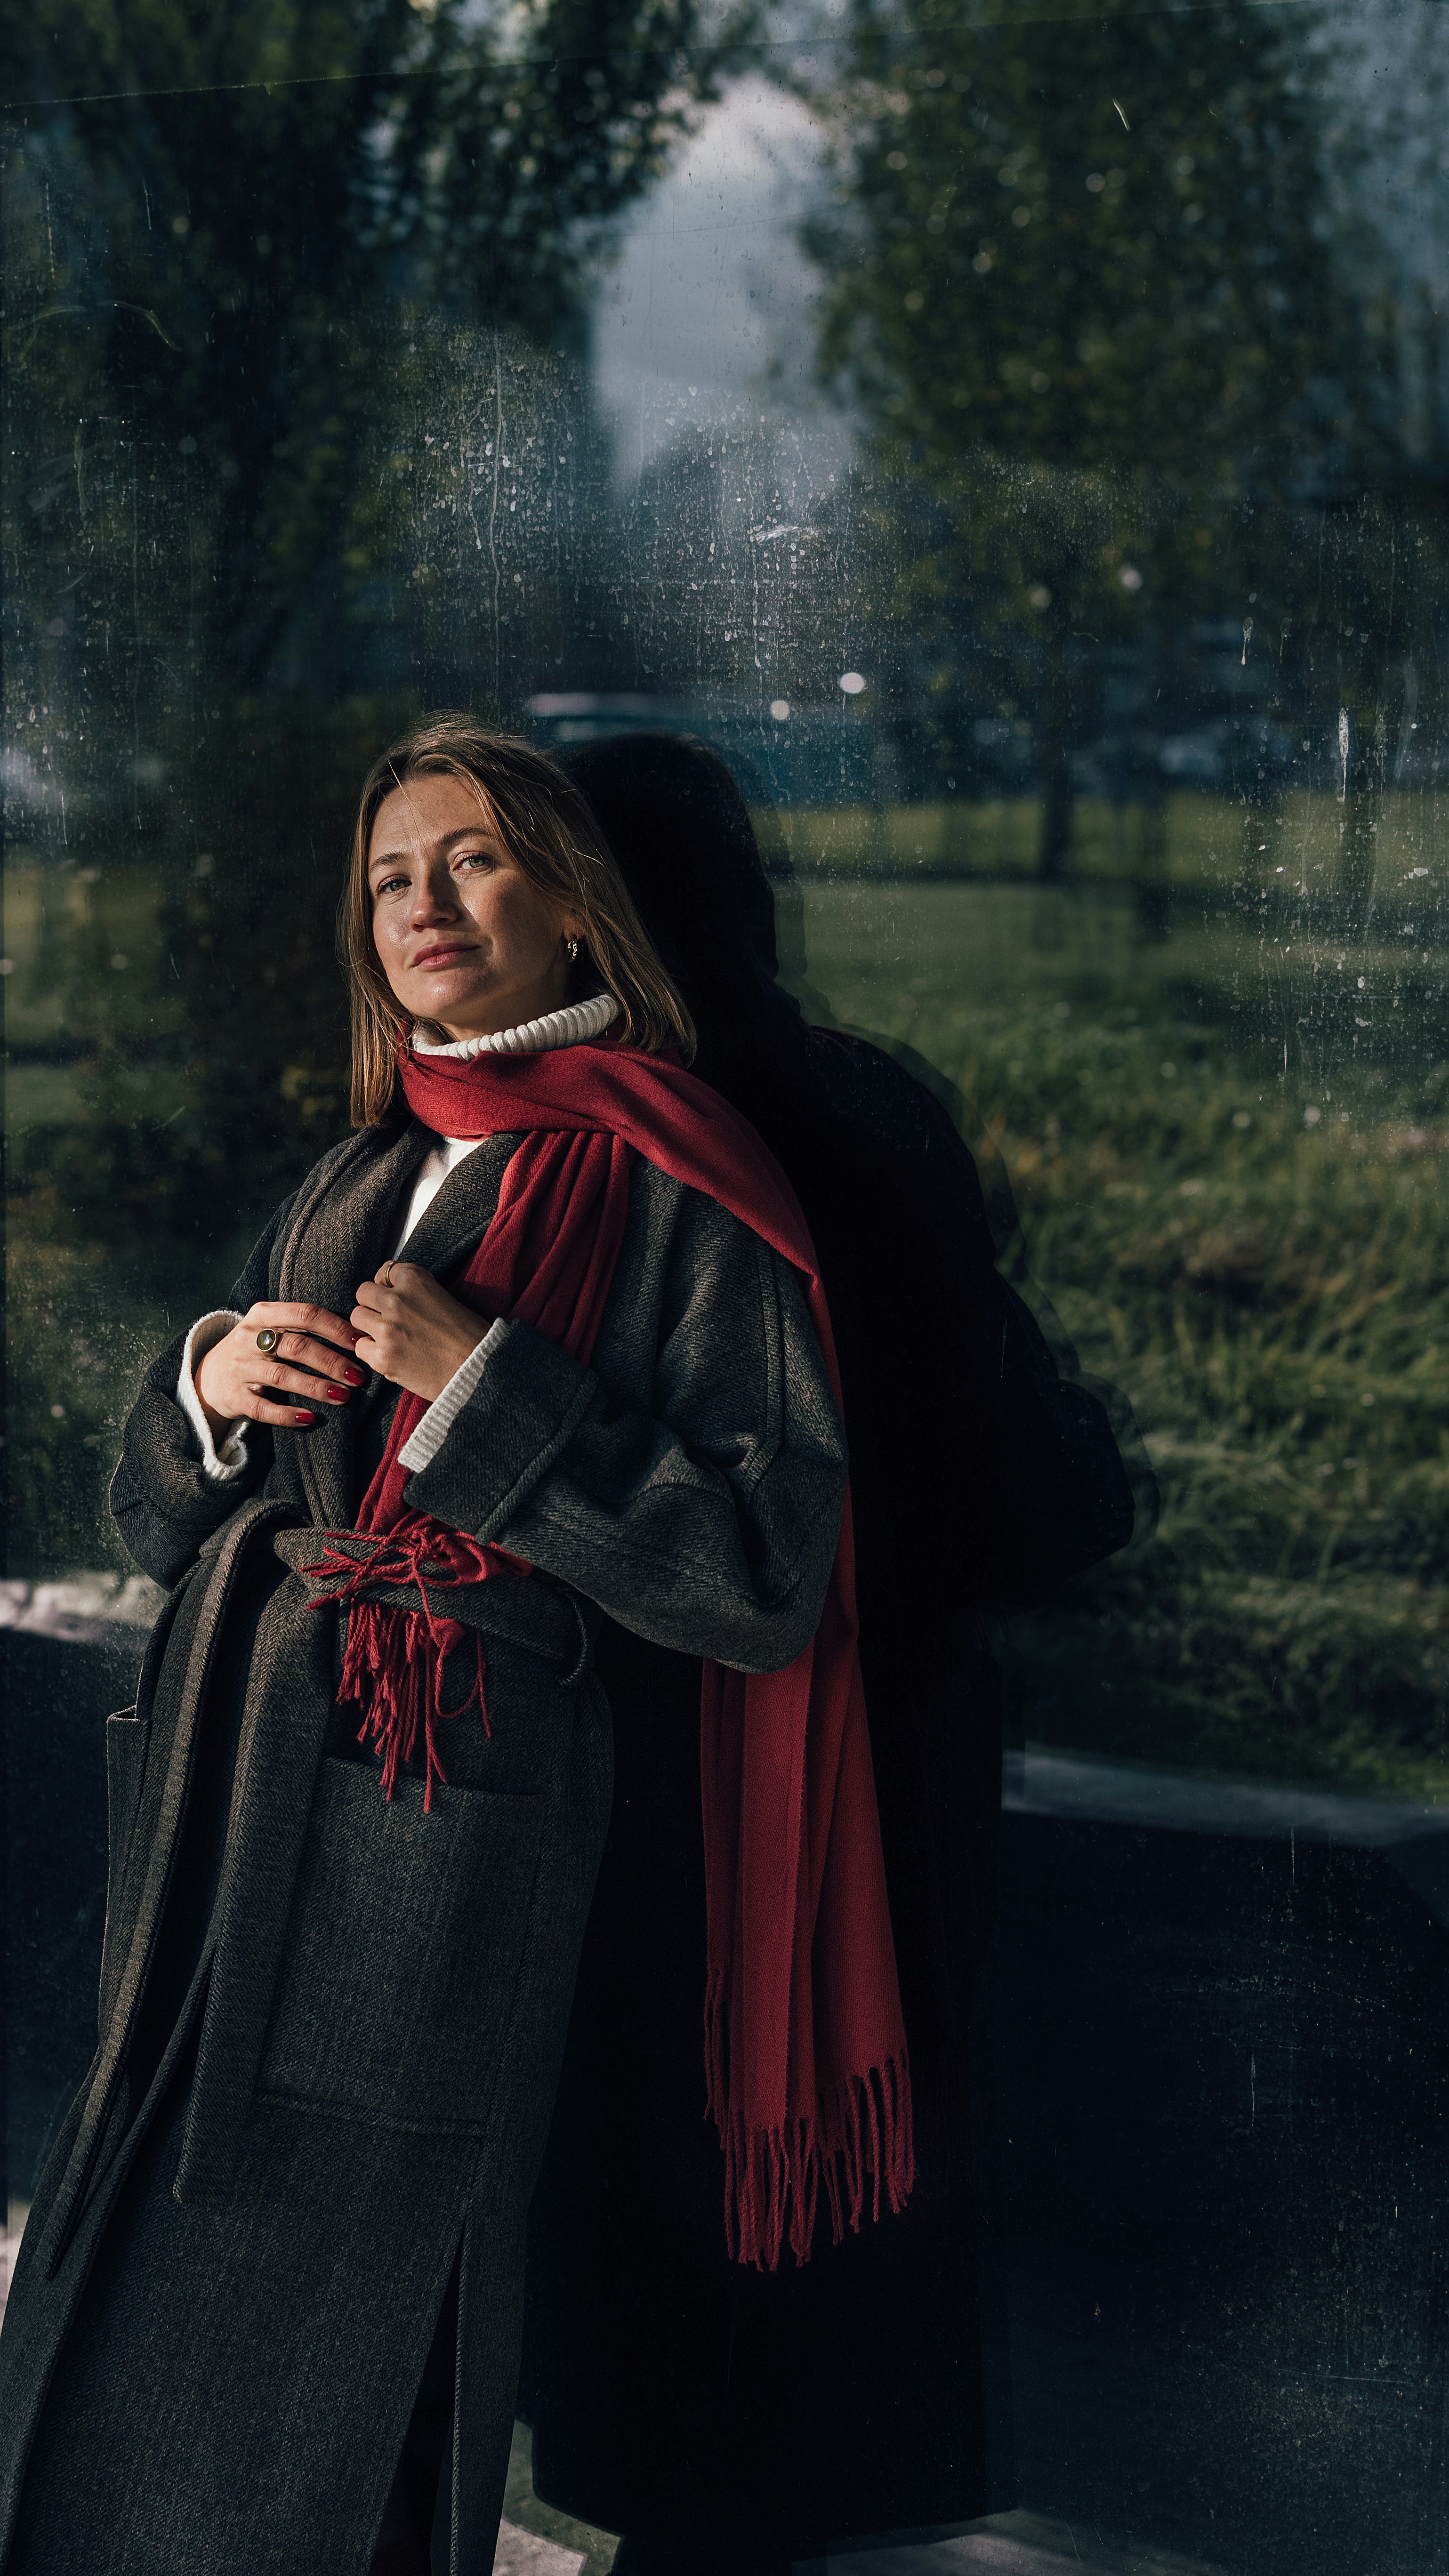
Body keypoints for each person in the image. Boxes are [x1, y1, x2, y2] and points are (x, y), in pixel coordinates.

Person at [0, 716, 914, 2576]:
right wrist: (208, 1387)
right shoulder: (361, 1174)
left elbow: (754, 1573)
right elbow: (156, 1523)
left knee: (343, 2311)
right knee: (157, 2244)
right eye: (390, 878)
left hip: (445, 1820)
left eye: (474, 861)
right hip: (230, 1793)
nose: (423, 907)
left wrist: (490, 1392)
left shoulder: (690, 1195)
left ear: (577, 907)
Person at [519, 732, 1136, 2569]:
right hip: (869, 1781)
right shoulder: (855, 1118)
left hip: (633, 1808)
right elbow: (1018, 1491)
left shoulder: (546, 1160)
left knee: (659, 2325)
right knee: (811, 2323)